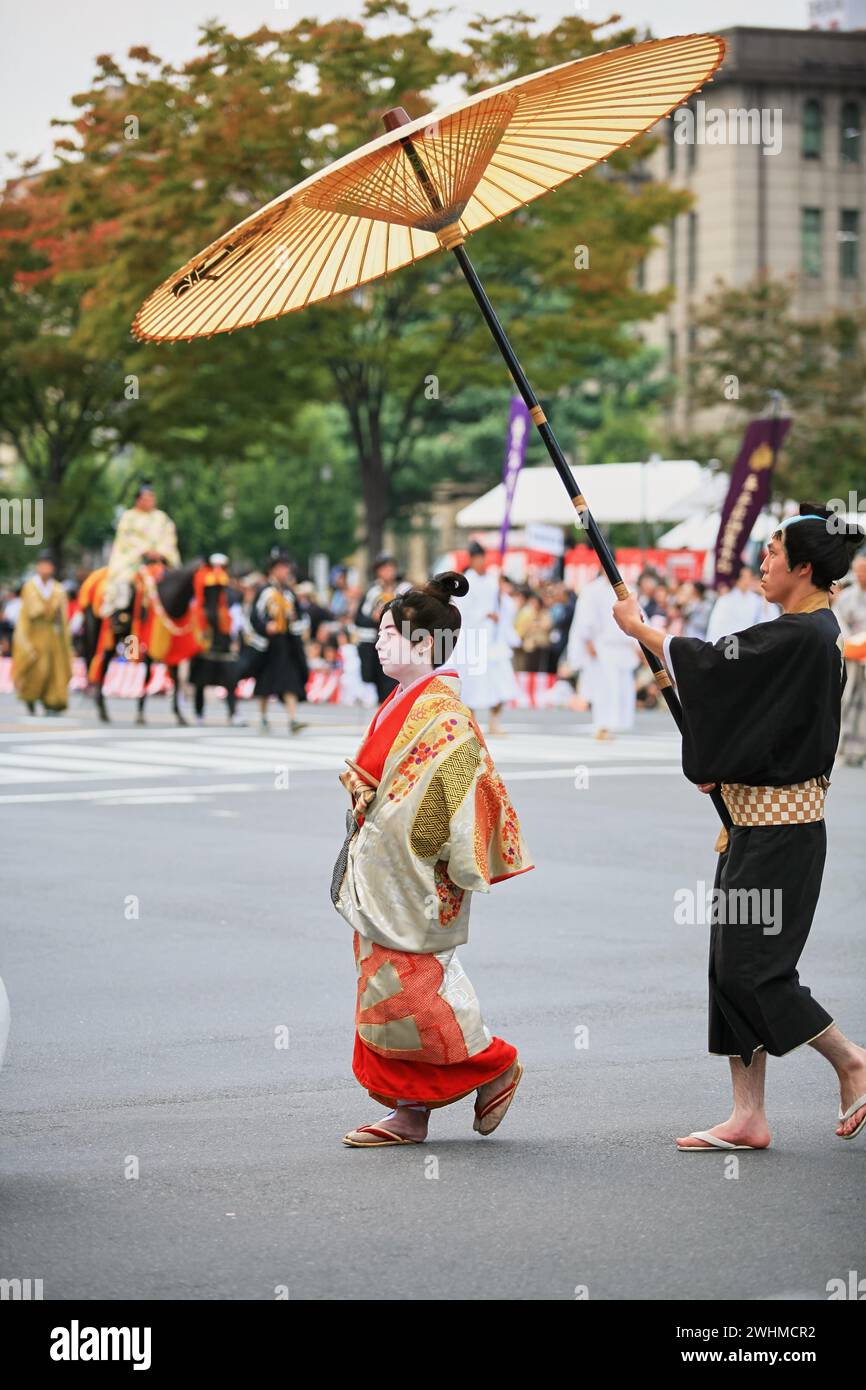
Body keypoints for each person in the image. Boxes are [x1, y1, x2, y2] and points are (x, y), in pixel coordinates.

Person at [613, 503, 866, 1150]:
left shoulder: (805, 633)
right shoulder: (797, 633)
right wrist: (718, 761)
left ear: (804, 568)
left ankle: (851, 1061)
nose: (763, 561)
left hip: (784, 833)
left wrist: (644, 631)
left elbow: (718, 664)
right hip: (752, 824)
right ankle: (748, 1113)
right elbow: (763, 717)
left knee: (755, 968)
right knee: (729, 965)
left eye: (774, 552)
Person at [331, 571, 534, 1147]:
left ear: (424, 645)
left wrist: (397, 828)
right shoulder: (407, 700)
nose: (379, 641)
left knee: (411, 993)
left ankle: (492, 1063)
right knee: (386, 988)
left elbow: (451, 800)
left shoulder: (444, 713)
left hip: (414, 873)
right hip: (387, 870)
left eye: (390, 632)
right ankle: (410, 1110)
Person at [451, 541, 517, 735]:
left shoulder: (492, 579)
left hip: (494, 639)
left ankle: (495, 721)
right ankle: (472, 724)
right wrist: (484, 614)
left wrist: (500, 607)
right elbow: (462, 611)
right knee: (473, 684)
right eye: (477, 558)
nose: (481, 562)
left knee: (500, 680)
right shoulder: (465, 582)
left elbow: (506, 605)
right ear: (472, 560)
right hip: (474, 638)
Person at [568, 570, 639, 739]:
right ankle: (602, 725)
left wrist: (638, 643)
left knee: (621, 688)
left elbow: (637, 615)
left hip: (623, 646)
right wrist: (588, 642)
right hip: (602, 645)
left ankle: (613, 725)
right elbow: (584, 619)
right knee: (604, 688)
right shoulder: (592, 590)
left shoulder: (626, 589)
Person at [248, 549, 310, 734]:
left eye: (286, 567)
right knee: (265, 682)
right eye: (282, 568)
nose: (286, 571)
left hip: (286, 644)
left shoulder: (290, 594)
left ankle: (292, 719)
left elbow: (301, 618)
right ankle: (264, 717)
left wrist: (293, 624)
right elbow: (253, 616)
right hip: (269, 644)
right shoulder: (265, 592)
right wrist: (266, 627)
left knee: (290, 681)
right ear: (272, 570)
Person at [100, 480, 180, 619]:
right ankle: (120, 614)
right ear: (138, 500)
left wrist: (160, 552)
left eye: (152, 498)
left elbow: (169, 537)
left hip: (160, 560)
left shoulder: (162, 517)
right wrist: (145, 550)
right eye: (146, 498)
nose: (150, 501)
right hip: (135, 561)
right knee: (122, 580)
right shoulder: (129, 517)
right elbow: (125, 539)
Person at [12, 550, 73, 715]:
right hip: (34, 633)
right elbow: (29, 613)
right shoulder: (30, 587)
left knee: (54, 668)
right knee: (36, 667)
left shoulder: (58, 589)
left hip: (52, 633)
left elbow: (63, 615)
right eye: (43, 564)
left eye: (49, 565)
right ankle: (30, 697)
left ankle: (51, 701)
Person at [189, 554, 244, 725]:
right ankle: (199, 714)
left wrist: (234, 638)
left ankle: (233, 713)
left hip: (223, 639)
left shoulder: (231, 594)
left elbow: (236, 619)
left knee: (229, 679)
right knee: (200, 679)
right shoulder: (201, 591)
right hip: (206, 638)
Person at [354, 553, 411, 703]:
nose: (388, 571)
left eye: (390, 567)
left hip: (400, 641)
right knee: (379, 680)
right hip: (377, 641)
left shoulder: (404, 590)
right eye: (384, 568)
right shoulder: (373, 592)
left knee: (396, 681)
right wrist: (373, 618)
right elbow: (359, 618)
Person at [835, 552, 866, 767]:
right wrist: (853, 642)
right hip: (851, 655)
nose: (861, 575)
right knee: (845, 701)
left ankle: (861, 751)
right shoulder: (846, 597)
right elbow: (838, 623)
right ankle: (841, 749)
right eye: (859, 571)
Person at [705, 562, 776, 644]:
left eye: (749, 576)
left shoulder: (755, 599)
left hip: (748, 645)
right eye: (745, 577)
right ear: (737, 578)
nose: (748, 579)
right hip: (728, 645)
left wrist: (764, 595)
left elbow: (768, 619)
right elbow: (717, 628)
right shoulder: (725, 599)